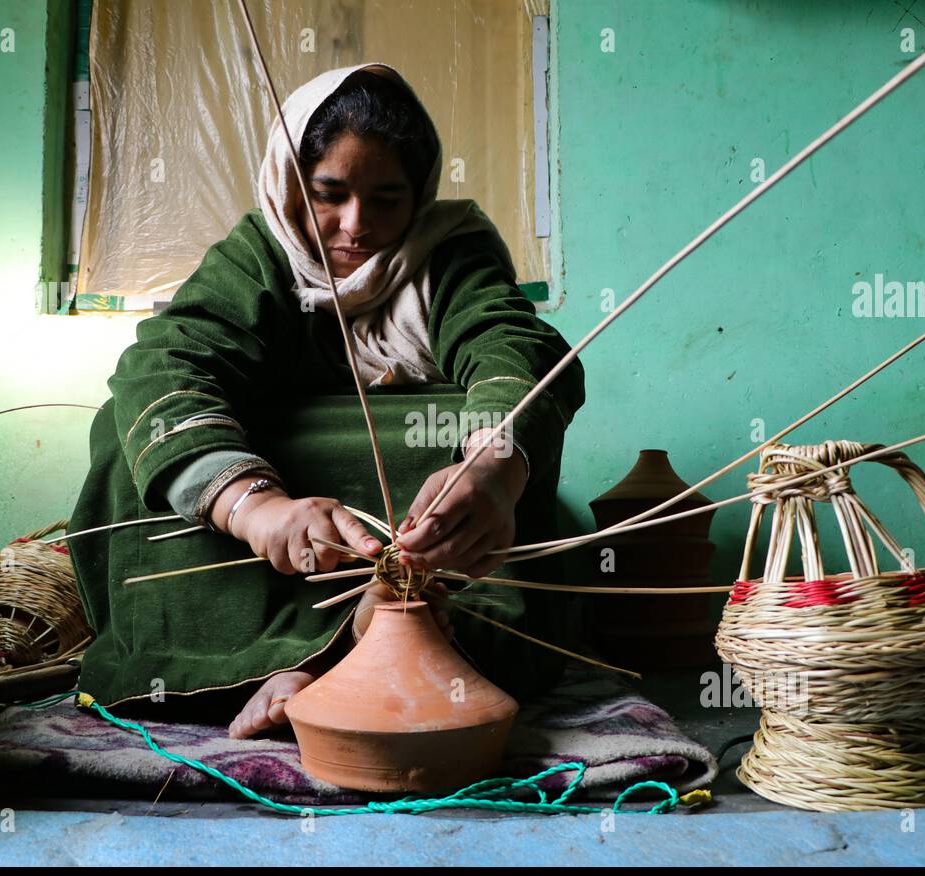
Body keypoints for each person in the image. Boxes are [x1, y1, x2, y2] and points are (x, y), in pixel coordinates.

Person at [69, 63, 586, 739]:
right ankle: (273, 662)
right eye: (328, 194)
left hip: (407, 452)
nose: (355, 226)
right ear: (291, 185)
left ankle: (376, 642)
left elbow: (509, 343)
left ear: (421, 194)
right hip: (273, 475)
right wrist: (252, 506)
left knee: (504, 434)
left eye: (388, 199)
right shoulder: (259, 255)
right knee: (128, 430)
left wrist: (490, 470)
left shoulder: (449, 253)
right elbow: (170, 362)